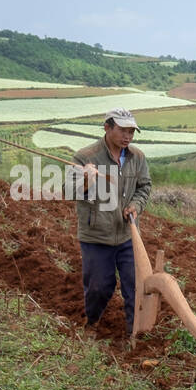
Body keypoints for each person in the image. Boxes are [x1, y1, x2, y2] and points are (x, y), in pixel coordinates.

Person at [66, 108, 151, 339]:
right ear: (107, 128)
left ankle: (135, 335)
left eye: (132, 131)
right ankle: (92, 323)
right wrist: (86, 180)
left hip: (127, 234)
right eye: (123, 130)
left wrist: (135, 205)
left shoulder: (137, 157)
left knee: (135, 287)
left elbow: (144, 187)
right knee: (99, 287)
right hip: (97, 236)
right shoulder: (85, 157)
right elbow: (69, 191)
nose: (128, 136)